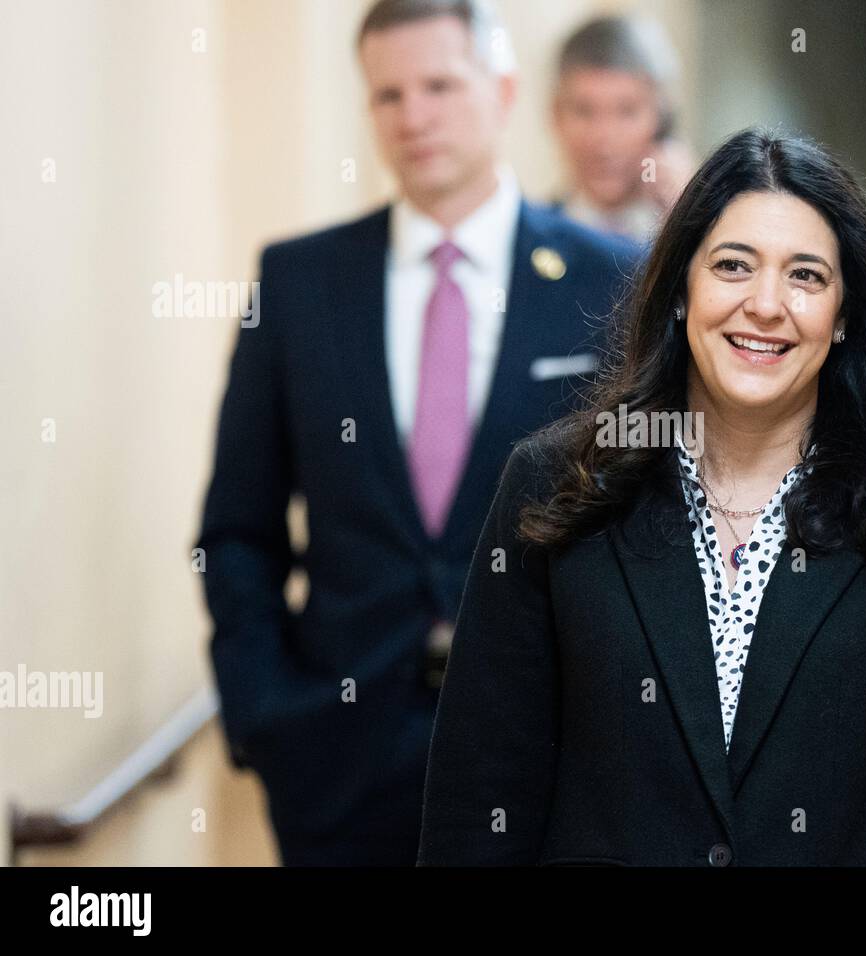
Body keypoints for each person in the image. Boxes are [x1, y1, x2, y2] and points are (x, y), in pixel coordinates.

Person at [417, 127, 866, 866]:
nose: (766, 304)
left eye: (806, 276)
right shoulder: (559, 490)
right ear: (682, 287)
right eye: (733, 265)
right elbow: (477, 806)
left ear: (843, 315)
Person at [195, 0, 638, 866]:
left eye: (440, 84)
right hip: (338, 773)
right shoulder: (297, 283)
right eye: (388, 95)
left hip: (549, 770)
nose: (415, 115)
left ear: (503, 90)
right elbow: (235, 531)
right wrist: (265, 716)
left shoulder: (608, 279)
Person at [550, 14, 693, 243]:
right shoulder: (532, 240)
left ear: (662, 118)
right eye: (584, 111)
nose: (603, 137)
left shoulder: (697, 236)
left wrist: (688, 216)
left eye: (627, 111)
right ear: (556, 115)